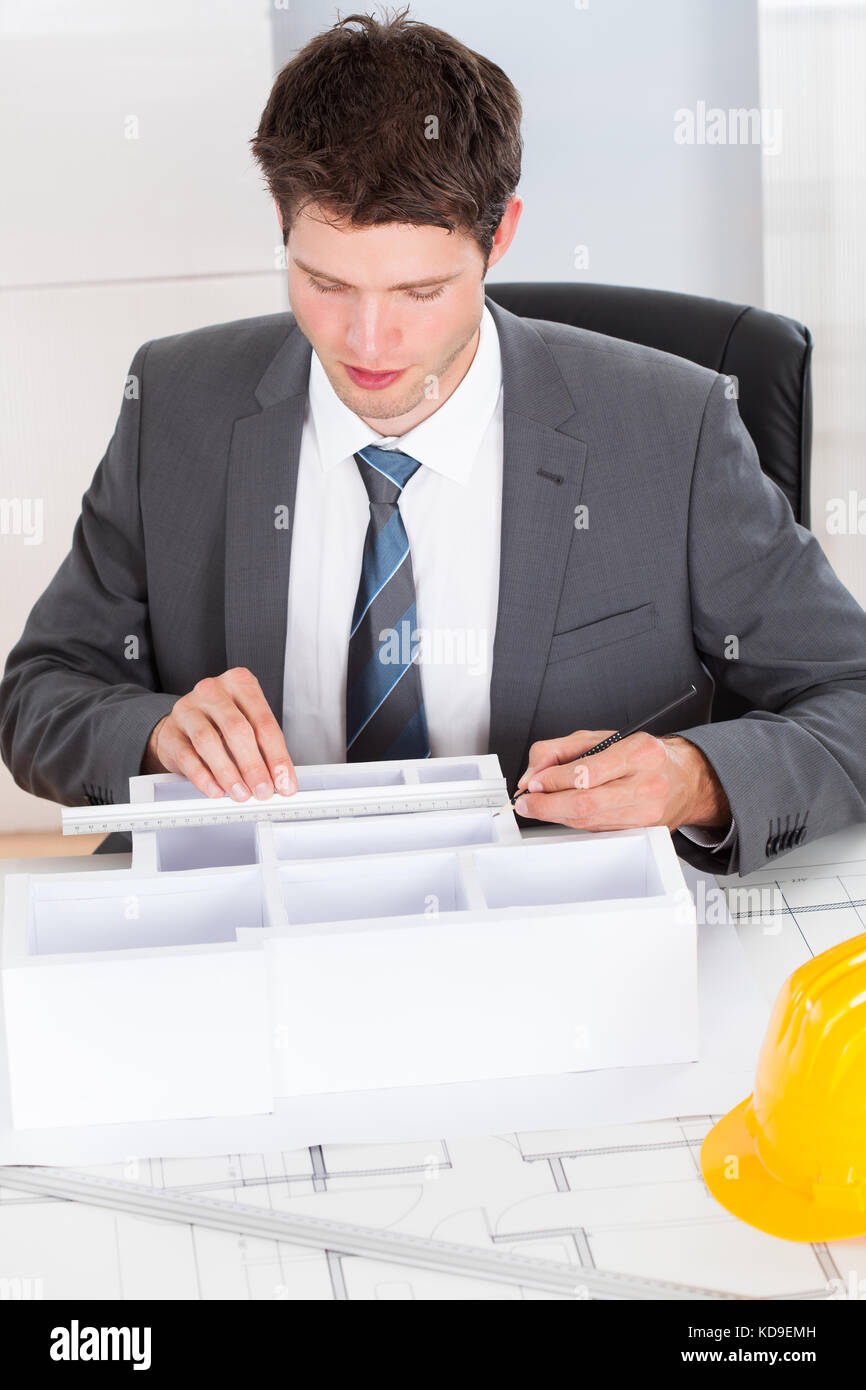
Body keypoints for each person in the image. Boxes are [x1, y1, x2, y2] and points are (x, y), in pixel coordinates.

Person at [2, 9, 865, 878]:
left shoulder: (669, 429)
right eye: (325, 281)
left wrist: (697, 776)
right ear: (280, 220)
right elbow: (42, 690)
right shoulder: (177, 404)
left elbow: (852, 693)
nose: (367, 344)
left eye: (420, 290)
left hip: (564, 949)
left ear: (502, 236)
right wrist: (152, 736)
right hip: (254, 937)